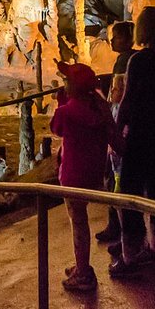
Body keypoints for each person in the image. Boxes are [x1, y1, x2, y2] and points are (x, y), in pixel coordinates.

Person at [109, 7, 155, 279]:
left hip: (139, 131)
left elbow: (128, 101)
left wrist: (115, 131)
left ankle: (130, 254)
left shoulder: (137, 61)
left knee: (129, 191)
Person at [50, 61, 112, 293]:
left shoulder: (67, 111)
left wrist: (61, 103)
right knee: (80, 220)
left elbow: (56, 128)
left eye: (66, 81)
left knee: (78, 222)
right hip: (93, 171)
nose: (63, 83)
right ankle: (81, 264)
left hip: (73, 174)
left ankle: (84, 272)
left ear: (74, 86)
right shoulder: (99, 106)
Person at [94, 20, 134, 245]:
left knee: (114, 178)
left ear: (128, 38)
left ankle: (118, 228)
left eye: (117, 37)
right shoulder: (129, 59)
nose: (112, 41)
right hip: (124, 125)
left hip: (120, 125)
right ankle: (120, 228)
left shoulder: (125, 61)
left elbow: (118, 97)